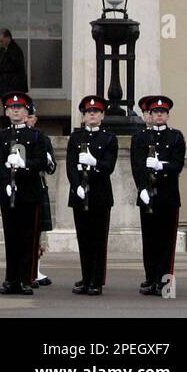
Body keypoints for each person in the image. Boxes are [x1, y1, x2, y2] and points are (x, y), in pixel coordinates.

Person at [0, 91, 48, 295]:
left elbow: (41, 160)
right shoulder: (1, 136)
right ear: (6, 112)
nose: (16, 111)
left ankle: (25, 279)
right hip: (8, 193)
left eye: (20, 108)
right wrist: (5, 181)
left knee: (27, 238)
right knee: (11, 237)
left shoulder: (36, 135)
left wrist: (25, 165)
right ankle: (11, 279)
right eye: (12, 108)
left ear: (27, 112)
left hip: (29, 192)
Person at [130, 94, 187, 296]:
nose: (159, 115)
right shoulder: (140, 137)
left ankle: (164, 282)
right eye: (156, 112)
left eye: (163, 112)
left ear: (168, 115)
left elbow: (177, 165)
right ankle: (151, 279)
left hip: (168, 195)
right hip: (148, 195)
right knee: (150, 239)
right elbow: (136, 165)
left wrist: (161, 166)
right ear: (150, 115)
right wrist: (142, 188)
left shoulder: (176, 136)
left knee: (166, 241)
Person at [67, 94, 118, 295]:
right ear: (83, 116)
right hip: (79, 193)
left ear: (102, 115)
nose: (92, 115)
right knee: (84, 238)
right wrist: (76, 185)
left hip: (99, 194)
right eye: (88, 112)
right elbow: (71, 166)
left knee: (98, 239)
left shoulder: (108, 138)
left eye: (96, 112)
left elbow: (109, 166)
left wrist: (94, 162)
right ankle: (86, 277)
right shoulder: (75, 137)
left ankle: (96, 280)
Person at [25, 108, 58, 287]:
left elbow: (51, 168)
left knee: (38, 232)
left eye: (31, 117)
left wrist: (48, 160)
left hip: (37, 185)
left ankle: (36, 268)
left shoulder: (42, 138)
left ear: (35, 119)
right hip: (21, 187)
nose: (28, 120)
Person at [0, 29, 28, 99]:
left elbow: (14, 66)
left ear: (8, 38)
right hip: (5, 86)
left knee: (12, 107)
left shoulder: (15, 50)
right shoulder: (3, 49)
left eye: (2, 41)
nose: (0, 43)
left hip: (13, 86)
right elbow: (2, 63)